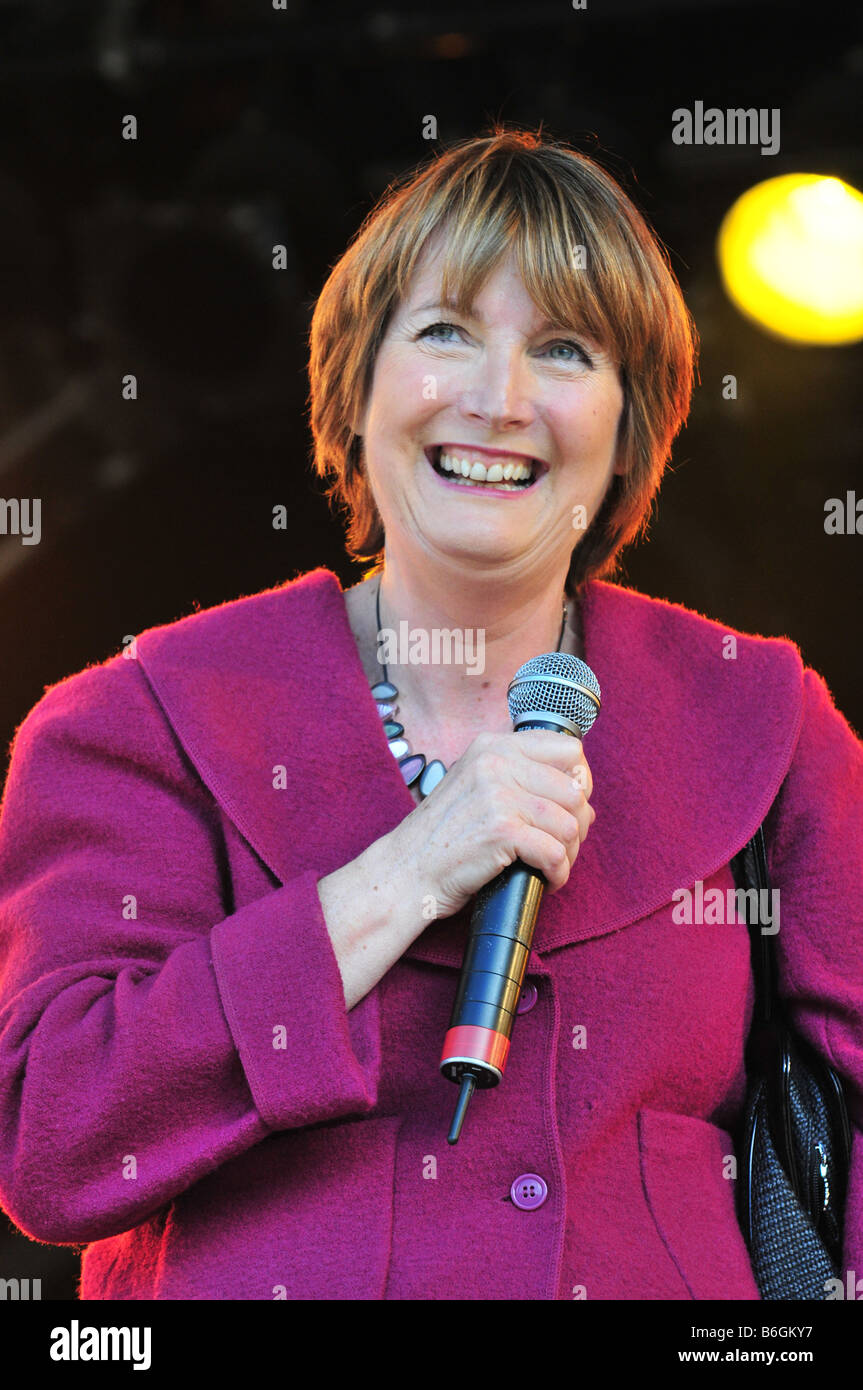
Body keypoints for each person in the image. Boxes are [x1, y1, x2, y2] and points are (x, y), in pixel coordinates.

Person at [0, 128, 860, 1301]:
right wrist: (406, 871)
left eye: (564, 350)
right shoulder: (137, 722)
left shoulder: (761, 717)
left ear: (628, 430)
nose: (498, 399)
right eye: (445, 331)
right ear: (354, 386)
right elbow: (54, 1143)